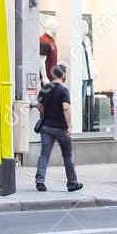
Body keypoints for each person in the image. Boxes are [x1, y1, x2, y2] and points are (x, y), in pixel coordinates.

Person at [34, 64, 82, 193]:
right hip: (61, 128)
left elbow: (38, 104)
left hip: (46, 127)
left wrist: (45, 113)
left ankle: (40, 181)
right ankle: (72, 183)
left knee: (44, 154)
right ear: (63, 74)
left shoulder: (45, 88)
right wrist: (69, 126)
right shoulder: (63, 90)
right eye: (65, 72)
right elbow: (66, 108)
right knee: (67, 156)